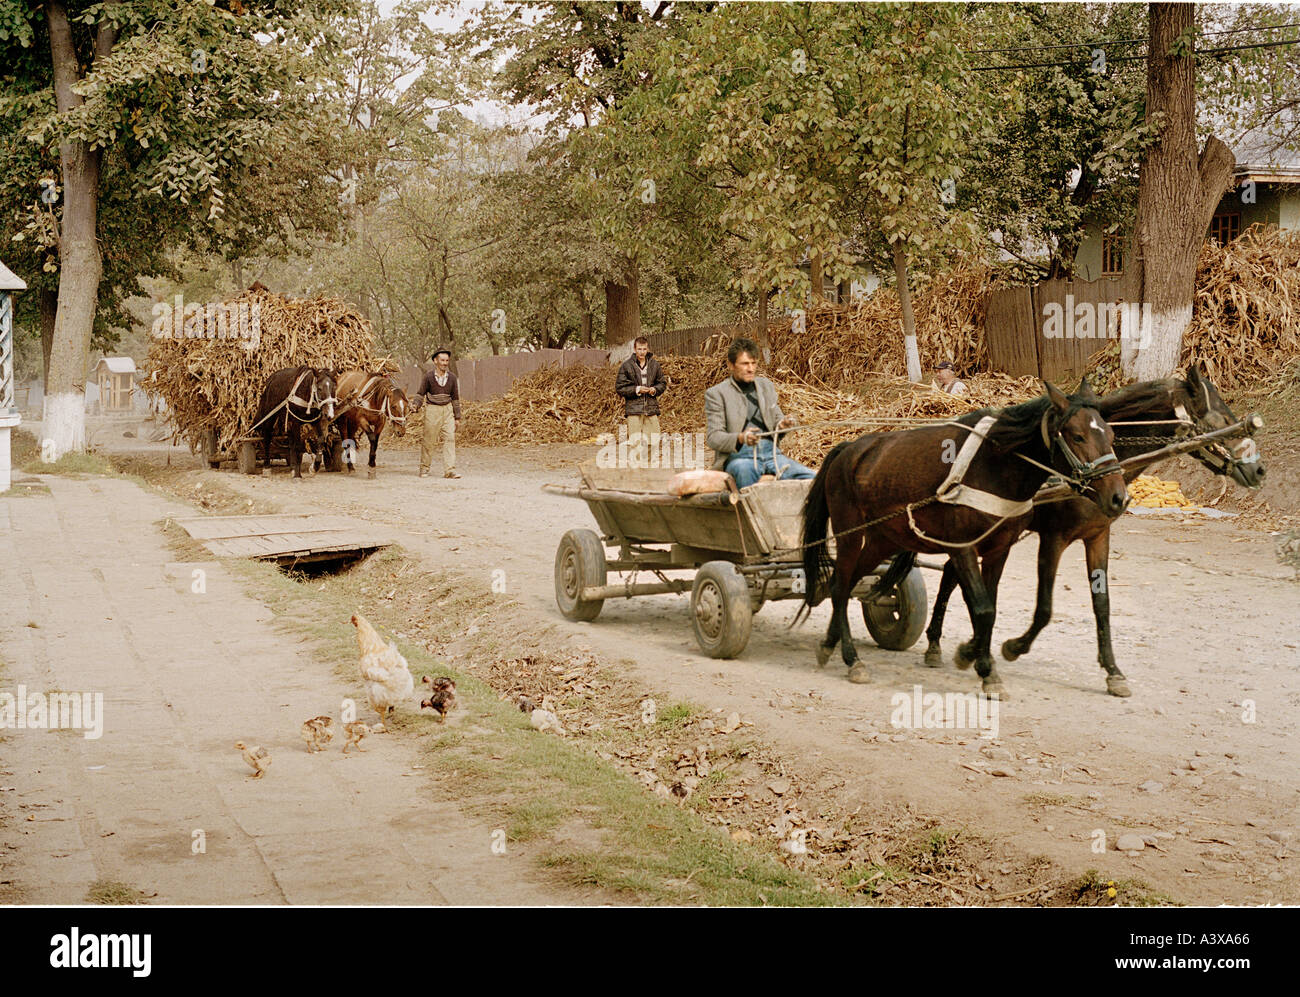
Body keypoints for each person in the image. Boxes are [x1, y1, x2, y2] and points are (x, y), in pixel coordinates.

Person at [705, 337, 815, 489]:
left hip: (772, 455)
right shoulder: (717, 393)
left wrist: (783, 424)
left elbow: (777, 419)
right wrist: (741, 438)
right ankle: (749, 512)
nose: (751, 369)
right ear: (731, 365)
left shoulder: (766, 387)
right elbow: (714, 438)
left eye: (753, 363)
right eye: (744, 364)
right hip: (741, 457)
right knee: (745, 473)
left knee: (812, 478)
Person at [615, 336, 667, 465]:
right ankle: (637, 468)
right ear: (634, 349)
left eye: (644, 349)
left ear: (647, 348)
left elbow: (662, 383)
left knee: (654, 438)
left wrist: (654, 390)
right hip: (633, 409)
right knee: (635, 441)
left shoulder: (654, 365)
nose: (642, 352)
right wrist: (637, 389)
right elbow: (620, 387)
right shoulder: (626, 365)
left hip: (651, 407)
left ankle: (647, 465)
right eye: (639, 349)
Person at [415, 348, 461, 478]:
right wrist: (415, 405)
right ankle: (424, 468)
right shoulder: (428, 377)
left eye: (447, 360)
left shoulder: (452, 378)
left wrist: (457, 417)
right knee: (429, 440)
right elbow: (420, 394)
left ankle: (450, 470)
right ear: (435, 361)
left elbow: (455, 398)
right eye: (442, 360)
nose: (445, 363)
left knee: (450, 439)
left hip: (447, 410)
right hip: (432, 410)